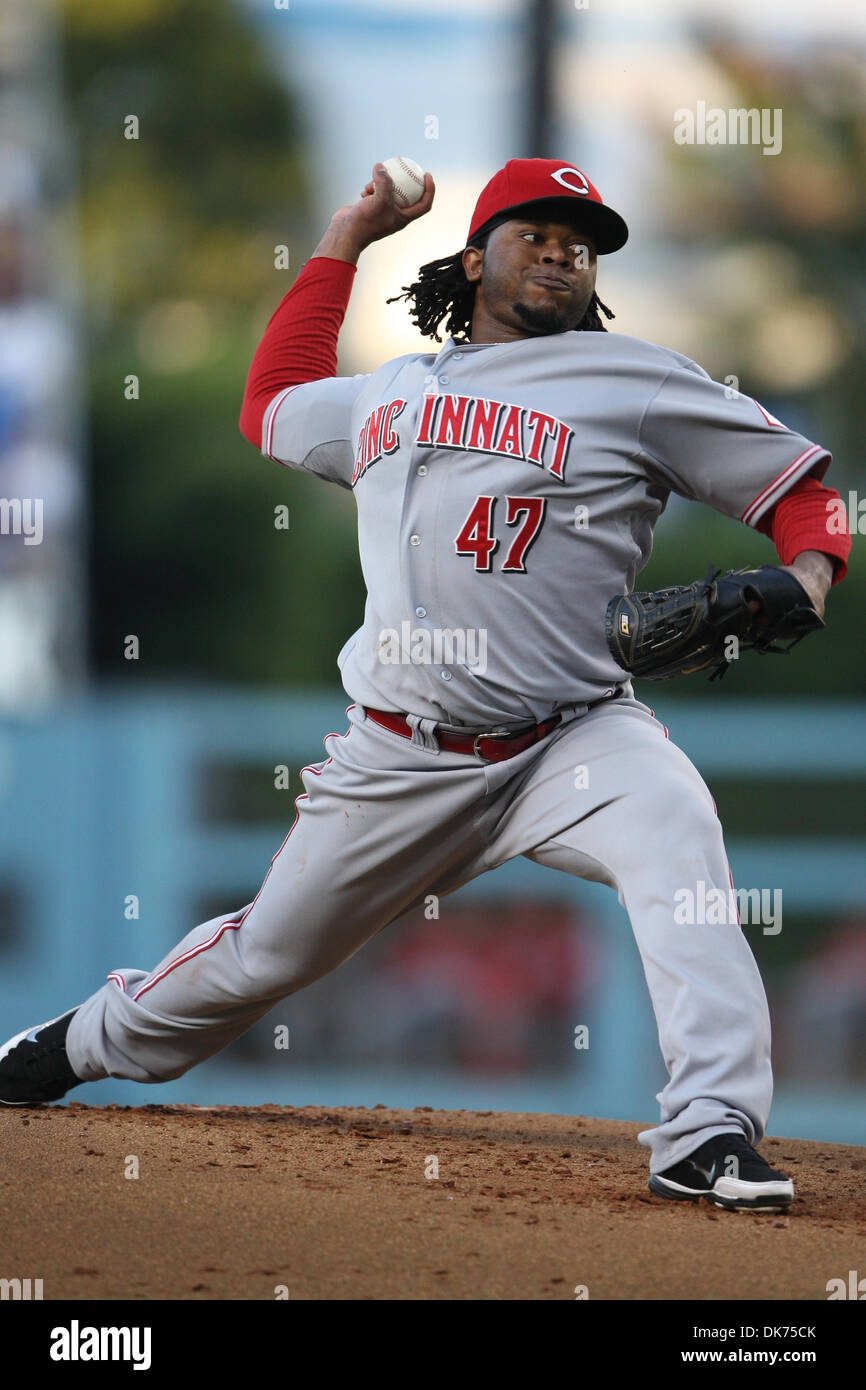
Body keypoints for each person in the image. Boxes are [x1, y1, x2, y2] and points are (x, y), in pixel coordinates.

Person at [0, 158, 851, 1212]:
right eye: (532, 231)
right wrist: (346, 239)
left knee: (678, 827)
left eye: (577, 242)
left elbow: (807, 493)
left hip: (572, 738)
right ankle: (78, 1042)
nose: (557, 251)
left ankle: (708, 1129)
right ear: (470, 257)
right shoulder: (392, 390)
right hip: (399, 754)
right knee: (263, 956)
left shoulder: (638, 380)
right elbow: (269, 403)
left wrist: (803, 581)